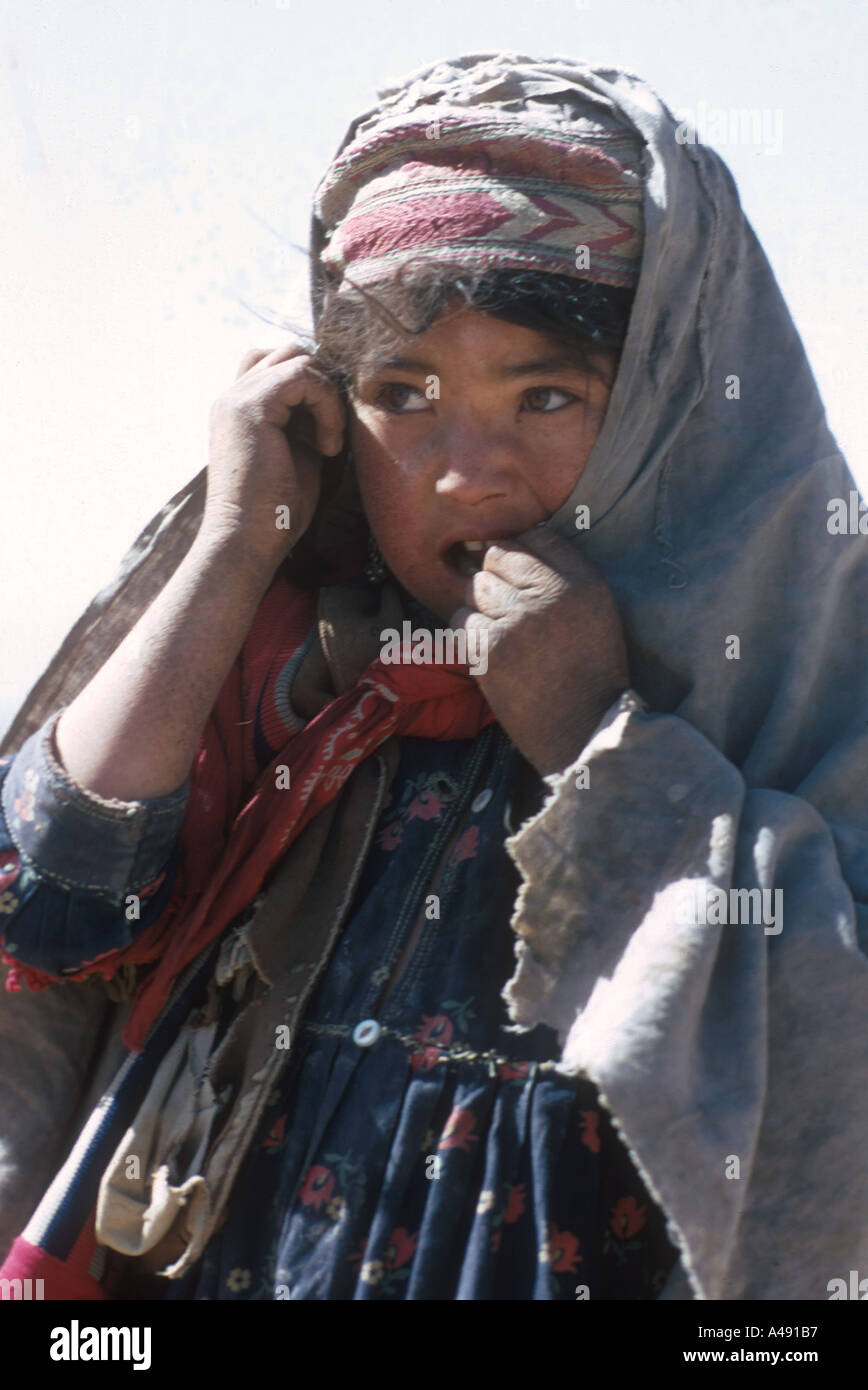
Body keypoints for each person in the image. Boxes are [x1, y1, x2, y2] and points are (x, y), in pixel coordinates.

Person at [0, 51, 866, 1303]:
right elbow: (53, 912)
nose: (467, 470)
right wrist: (235, 544)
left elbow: (826, 1116)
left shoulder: (795, 685)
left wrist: (595, 741)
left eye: (547, 393)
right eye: (403, 395)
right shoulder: (298, 675)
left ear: (667, 407)